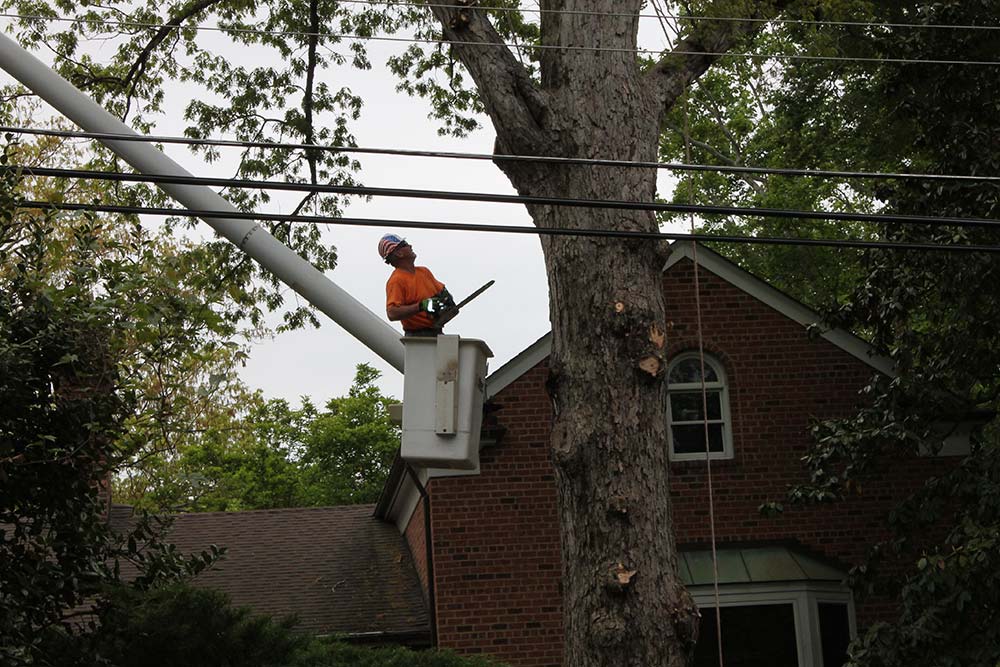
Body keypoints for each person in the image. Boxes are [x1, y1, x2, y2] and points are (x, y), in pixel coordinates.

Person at [379, 233, 455, 336]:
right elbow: (392, 313)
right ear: (398, 253)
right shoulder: (396, 280)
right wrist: (421, 306)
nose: (410, 246)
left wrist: (445, 298)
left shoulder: (424, 272)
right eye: (405, 244)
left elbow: (440, 291)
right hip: (417, 338)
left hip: (436, 332)